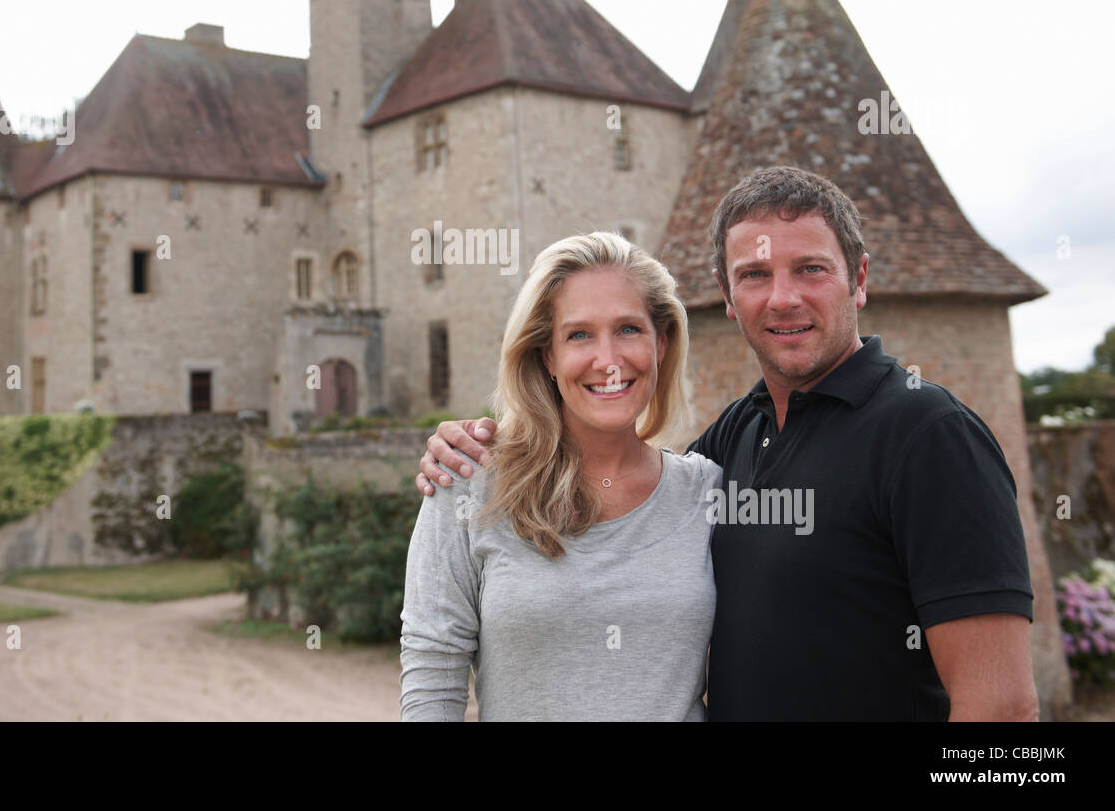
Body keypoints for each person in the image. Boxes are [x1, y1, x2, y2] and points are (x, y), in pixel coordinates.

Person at [417, 166, 1039, 721]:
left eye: (811, 269)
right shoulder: (730, 446)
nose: (783, 297)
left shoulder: (928, 436)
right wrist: (467, 444)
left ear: (860, 278)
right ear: (729, 298)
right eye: (755, 275)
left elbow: (1003, 710)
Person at [399, 232, 722, 721]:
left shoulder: (707, 493)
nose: (608, 361)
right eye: (579, 335)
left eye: (629, 329)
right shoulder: (469, 479)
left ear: (663, 342)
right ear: (546, 355)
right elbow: (433, 672)